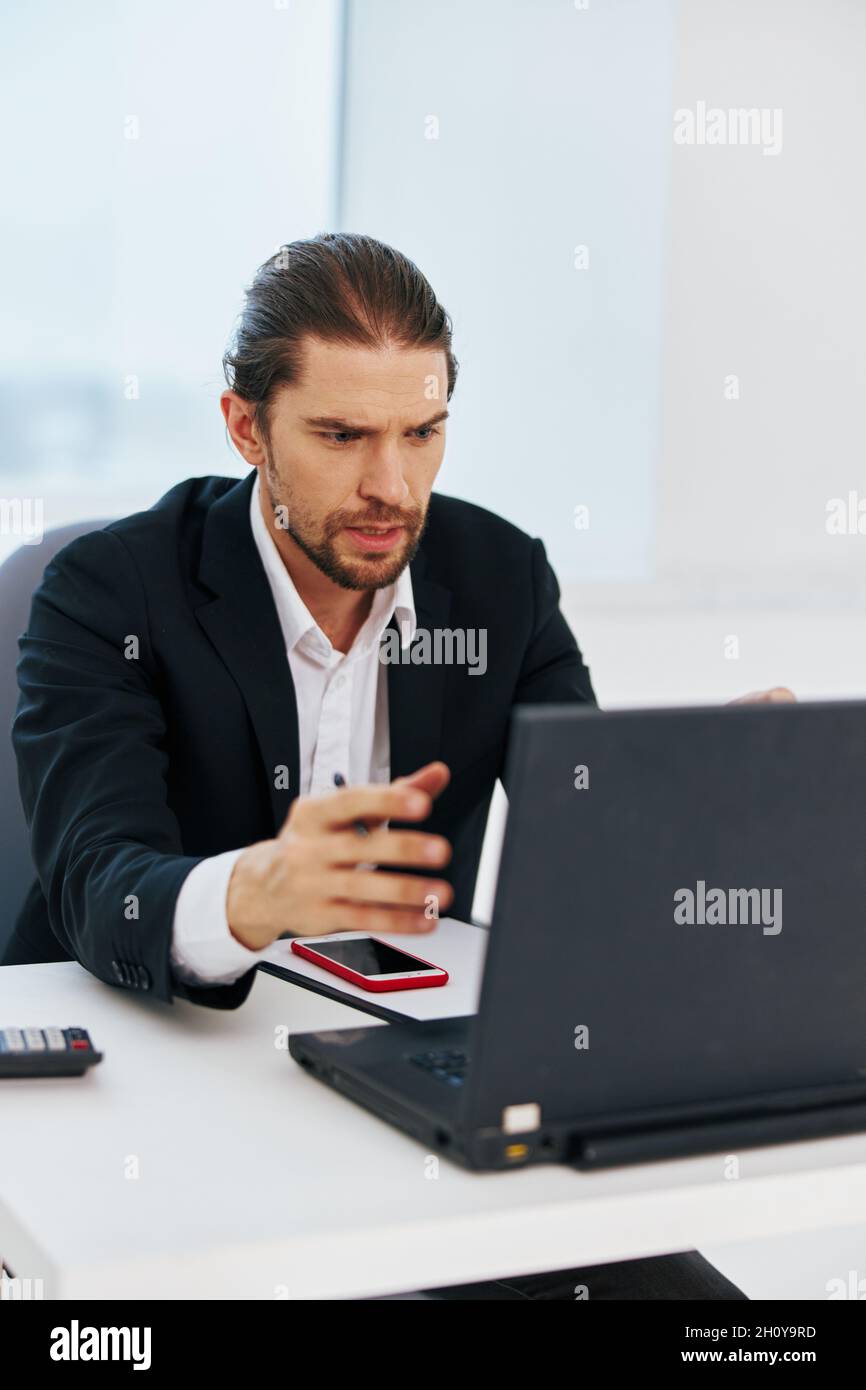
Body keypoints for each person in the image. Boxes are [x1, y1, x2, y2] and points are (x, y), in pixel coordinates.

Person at [6, 233, 790, 1298]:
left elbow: (582, 825)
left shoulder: (499, 576)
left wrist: (691, 813)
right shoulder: (109, 590)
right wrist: (250, 893)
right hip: (154, 1079)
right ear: (247, 427)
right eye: (340, 434)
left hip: (398, 1073)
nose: (391, 486)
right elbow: (95, 876)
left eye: (421, 434)